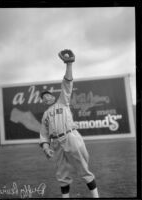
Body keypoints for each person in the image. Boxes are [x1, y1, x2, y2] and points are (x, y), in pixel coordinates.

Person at [39, 49, 99, 198]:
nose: (46, 97)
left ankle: (96, 196)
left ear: (53, 97)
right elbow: (44, 136)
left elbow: (67, 84)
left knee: (84, 168)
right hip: (56, 143)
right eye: (44, 97)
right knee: (61, 173)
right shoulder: (45, 115)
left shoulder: (62, 102)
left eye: (48, 95)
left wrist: (69, 64)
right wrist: (46, 149)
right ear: (43, 102)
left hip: (70, 136)